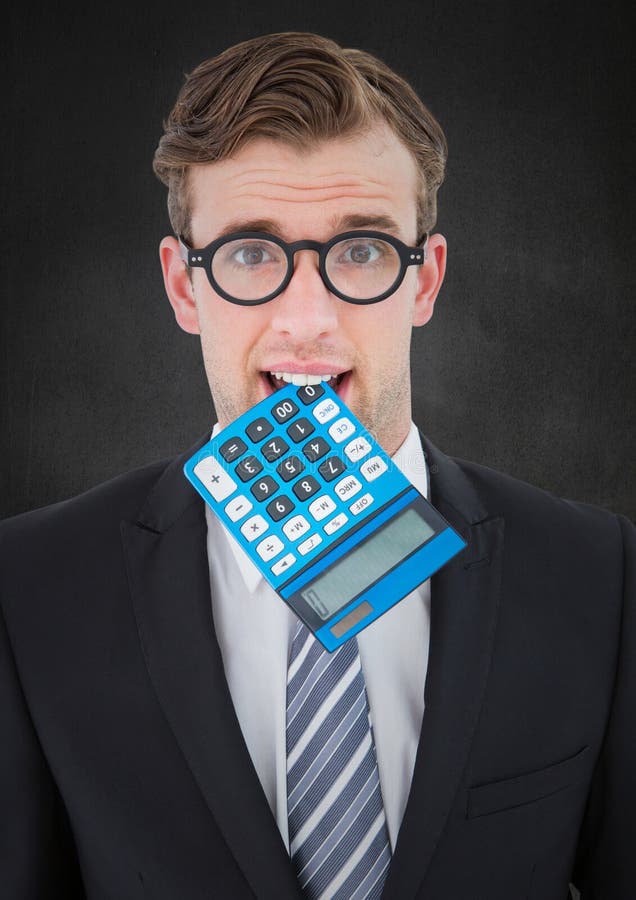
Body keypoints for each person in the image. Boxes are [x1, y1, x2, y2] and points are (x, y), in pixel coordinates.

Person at [0, 31, 633, 900]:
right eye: (250, 253)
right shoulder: (28, 588)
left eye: (362, 251)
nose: (308, 319)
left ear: (424, 280)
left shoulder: (598, 575)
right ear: (185, 287)